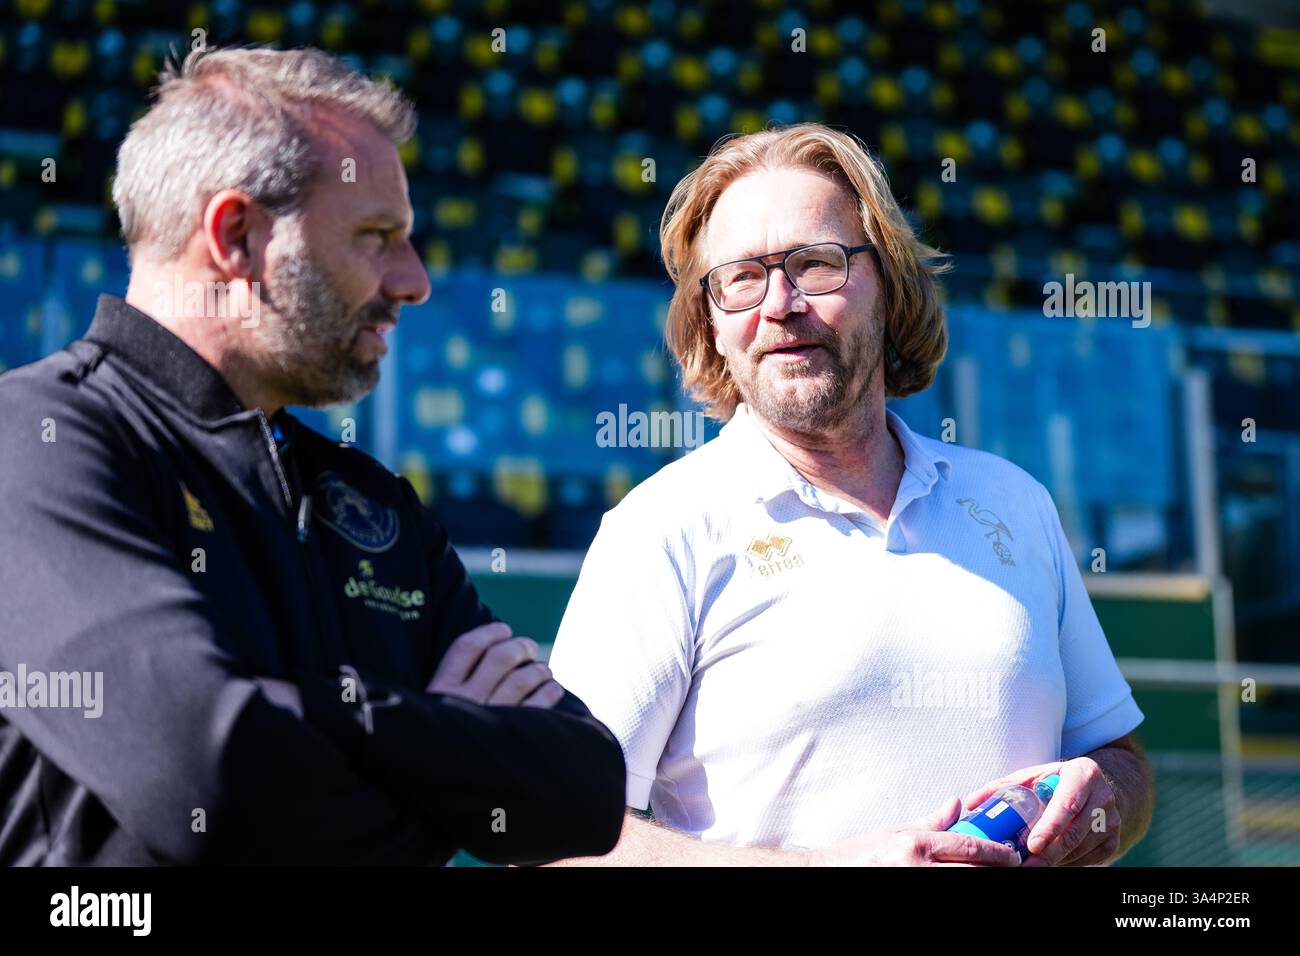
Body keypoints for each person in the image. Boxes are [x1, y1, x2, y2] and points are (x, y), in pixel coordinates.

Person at [0, 46, 624, 866]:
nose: (416, 280)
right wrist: (443, 740)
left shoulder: (373, 504)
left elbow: (584, 791)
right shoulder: (37, 443)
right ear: (235, 235)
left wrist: (314, 723)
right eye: (377, 237)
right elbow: (208, 780)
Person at [547, 123, 1153, 866]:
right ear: (709, 318)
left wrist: (1104, 797)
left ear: (890, 286)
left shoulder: (1014, 502)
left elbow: (1118, 758)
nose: (780, 303)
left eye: (816, 264)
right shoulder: (661, 531)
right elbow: (553, 832)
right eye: (740, 277)